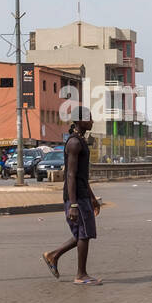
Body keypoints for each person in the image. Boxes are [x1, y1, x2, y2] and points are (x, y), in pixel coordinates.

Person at [42, 107, 101, 285]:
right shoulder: (74, 143)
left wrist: (92, 197)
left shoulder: (80, 141)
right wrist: (74, 204)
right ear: (80, 121)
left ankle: (53, 255)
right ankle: (81, 275)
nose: (92, 121)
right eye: (89, 118)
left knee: (83, 233)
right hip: (76, 197)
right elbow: (70, 175)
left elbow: (82, 175)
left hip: (82, 194)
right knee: (84, 234)